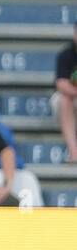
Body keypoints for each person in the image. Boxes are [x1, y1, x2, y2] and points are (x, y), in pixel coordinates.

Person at [53, 22, 77, 164]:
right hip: (66, 101)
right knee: (64, 98)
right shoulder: (66, 55)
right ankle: (73, 151)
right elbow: (61, 84)